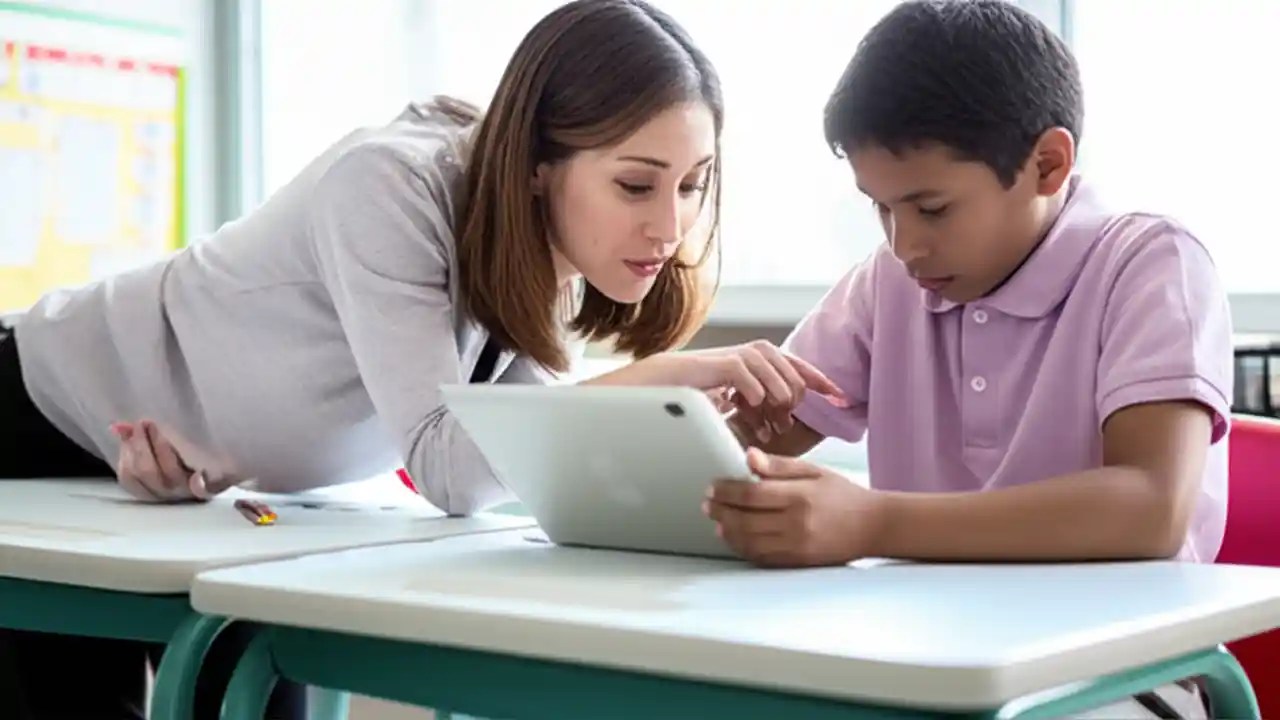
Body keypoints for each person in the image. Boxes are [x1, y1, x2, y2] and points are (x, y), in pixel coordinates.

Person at [0, 1, 843, 717]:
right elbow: (453, 467)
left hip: (178, 492)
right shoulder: (388, 187)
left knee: (248, 664)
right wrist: (671, 376)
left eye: (693, 184)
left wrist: (698, 437)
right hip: (31, 399)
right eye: (636, 185)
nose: (671, 226)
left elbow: (517, 468)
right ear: (541, 166)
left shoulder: (535, 257)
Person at [704, 2, 1230, 717]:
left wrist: (873, 523)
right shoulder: (889, 283)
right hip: (921, 657)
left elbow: (1150, 506)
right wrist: (697, 424)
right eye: (880, 208)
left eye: (933, 208)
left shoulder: (1149, 264)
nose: (904, 245)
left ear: (1047, 164)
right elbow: (750, 442)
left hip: (1111, 675)